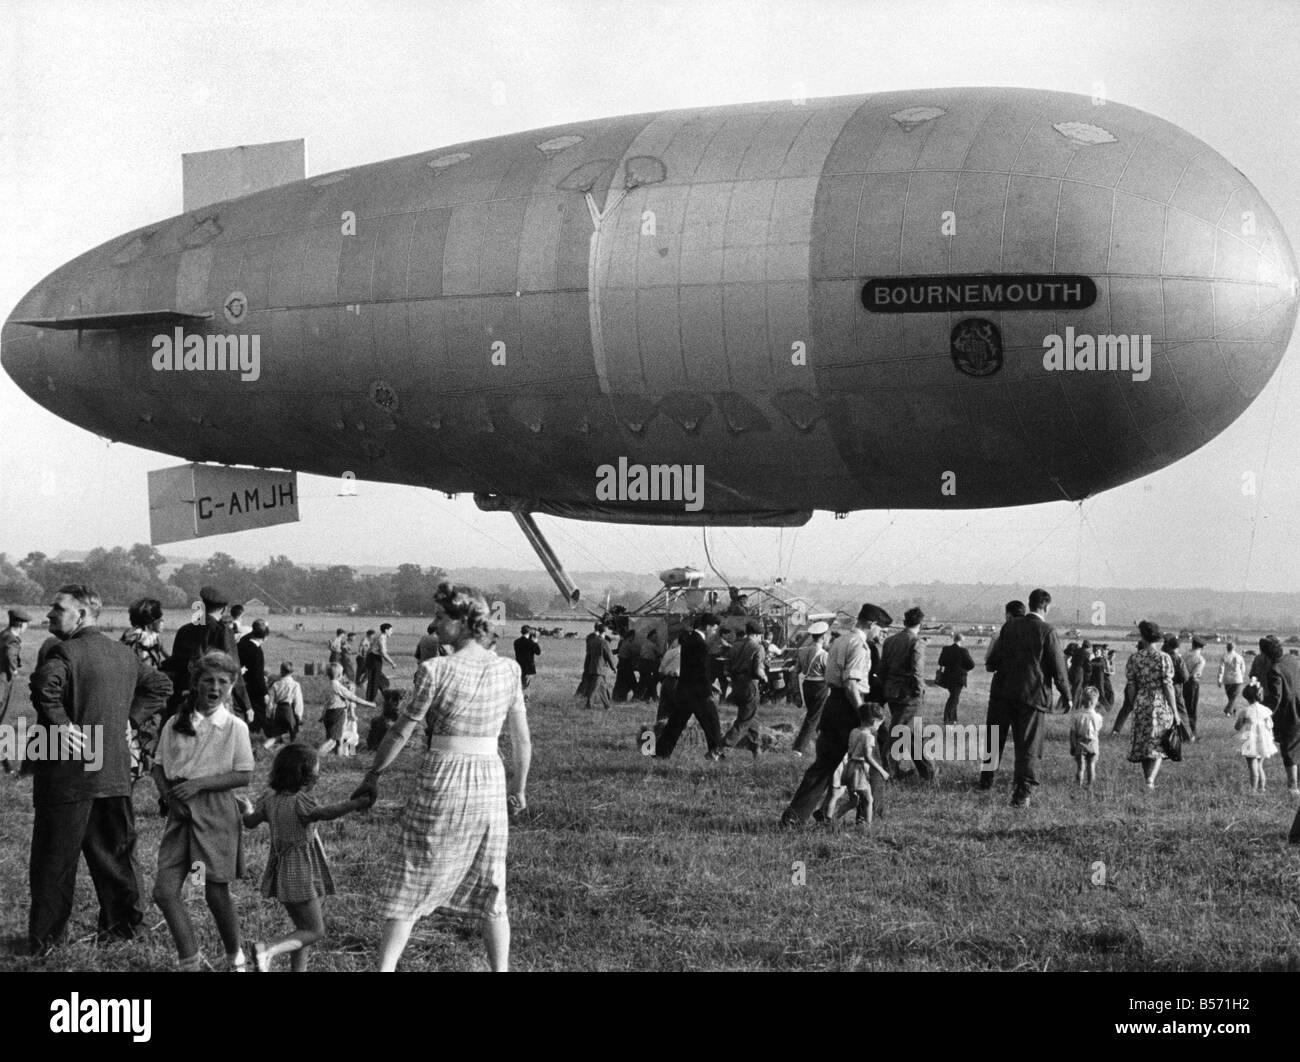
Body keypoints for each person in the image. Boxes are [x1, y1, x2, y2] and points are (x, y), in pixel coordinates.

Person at [350, 582, 532, 972]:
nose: (433, 625)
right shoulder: (509, 669)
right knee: (491, 879)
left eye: (439, 617)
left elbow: (401, 731)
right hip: (490, 781)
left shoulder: (435, 670)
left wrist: (373, 775)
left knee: (413, 871)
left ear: (463, 622)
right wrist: (519, 789)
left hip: (444, 777)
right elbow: (522, 740)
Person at [27, 585, 171, 955]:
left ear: (84, 615)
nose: (49, 615)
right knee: (116, 857)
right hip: (112, 774)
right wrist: (132, 718)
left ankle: (46, 942)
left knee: (54, 861)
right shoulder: (122, 654)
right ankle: (122, 930)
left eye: (58, 609)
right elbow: (161, 684)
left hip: (67, 778)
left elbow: (44, 687)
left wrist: (60, 724)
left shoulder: (62, 651)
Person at [152, 650, 254, 971]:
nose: (215, 687)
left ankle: (234, 956)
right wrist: (169, 796)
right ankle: (190, 961)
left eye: (223, 681)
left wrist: (199, 785)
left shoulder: (234, 727)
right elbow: (157, 767)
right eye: (208, 680)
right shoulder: (175, 723)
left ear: (232, 685)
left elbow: (244, 775)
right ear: (195, 683)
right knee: (165, 892)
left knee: (214, 891)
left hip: (216, 811)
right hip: (180, 812)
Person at [240, 744, 371, 971]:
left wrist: (247, 809)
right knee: (314, 931)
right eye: (316, 773)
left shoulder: (270, 798)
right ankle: (267, 950)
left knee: (303, 928)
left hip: (283, 870)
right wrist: (357, 803)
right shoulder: (300, 802)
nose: (318, 778)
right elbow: (328, 812)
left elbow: (250, 822)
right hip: (301, 871)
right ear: (303, 775)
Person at [780, 603, 893, 826]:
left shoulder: (840, 640)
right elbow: (852, 685)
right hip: (850, 707)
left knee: (823, 766)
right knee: (874, 761)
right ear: (871, 624)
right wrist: (864, 715)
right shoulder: (860, 646)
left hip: (832, 705)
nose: (881, 634)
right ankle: (868, 818)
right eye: (881, 629)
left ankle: (793, 817)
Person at [982, 589, 1070, 807]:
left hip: (1002, 693)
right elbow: (1058, 668)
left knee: (994, 739)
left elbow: (993, 660)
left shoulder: (1009, 626)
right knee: (1027, 746)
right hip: (1032, 695)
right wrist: (1067, 694)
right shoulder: (1047, 630)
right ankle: (1022, 792)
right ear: (1047, 607)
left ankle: (986, 780)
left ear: (1029, 604)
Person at [163, 585, 249, 725]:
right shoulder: (223, 632)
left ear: (203, 605)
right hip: (211, 698)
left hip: (182, 697)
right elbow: (234, 669)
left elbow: (176, 664)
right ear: (224, 609)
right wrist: (246, 705)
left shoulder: (184, 630)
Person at [655, 613, 726, 761]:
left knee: (676, 723)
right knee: (712, 722)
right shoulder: (700, 644)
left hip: (684, 689)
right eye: (713, 629)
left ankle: (661, 752)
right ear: (707, 627)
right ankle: (716, 753)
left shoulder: (689, 638)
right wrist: (709, 688)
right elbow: (700, 670)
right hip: (698, 691)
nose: (714, 632)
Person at [879, 606, 933, 782]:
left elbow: (882, 669)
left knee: (908, 732)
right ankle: (884, 768)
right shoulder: (917, 642)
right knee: (900, 732)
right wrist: (919, 690)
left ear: (904, 622)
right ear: (921, 624)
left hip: (892, 692)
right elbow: (917, 670)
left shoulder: (889, 641)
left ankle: (927, 772)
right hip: (909, 694)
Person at [120, 597, 169, 787]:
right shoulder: (143, 641)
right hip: (141, 703)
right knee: (138, 750)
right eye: (161, 618)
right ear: (152, 621)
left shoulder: (135, 636)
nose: (164, 623)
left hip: (134, 701)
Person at [1125, 620, 1178, 790]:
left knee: (1144, 743)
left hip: (1141, 701)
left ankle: (1148, 779)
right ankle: (1150, 781)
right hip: (1159, 702)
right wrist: (1175, 711)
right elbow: (1168, 686)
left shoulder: (1135, 658)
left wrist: (1135, 704)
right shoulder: (1164, 658)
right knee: (1158, 743)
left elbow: (1131, 685)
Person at [1258, 634, 1300, 795]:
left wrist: (1263, 711)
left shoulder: (1275, 669)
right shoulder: (1292, 660)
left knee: (1288, 750)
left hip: (1290, 714)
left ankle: (1293, 787)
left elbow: (1276, 697)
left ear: (1266, 654)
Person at [837, 701, 890, 824]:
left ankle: (833, 818)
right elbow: (868, 757)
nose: (879, 727)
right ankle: (868, 826)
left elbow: (850, 751)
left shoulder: (854, 731)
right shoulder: (869, 737)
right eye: (879, 724)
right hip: (859, 770)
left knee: (853, 801)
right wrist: (882, 771)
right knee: (869, 800)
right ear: (874, 722)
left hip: (849, 768)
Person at [721, 619, 768, 753]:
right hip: (750, 684)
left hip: (737, 684)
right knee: (744, 720)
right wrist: (765, 677)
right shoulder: (758, 647)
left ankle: (756, 747)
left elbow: (726, 667)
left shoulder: (734, 645)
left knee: (751, 715)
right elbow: (758, 670)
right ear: (757, 635)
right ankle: (720, 748)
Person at [792, 621, 831, 756]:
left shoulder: (803, 652)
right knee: (813, 718)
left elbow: (795, 672)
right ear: (824, 637)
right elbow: (829, 676)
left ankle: (822, 743)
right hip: (820, 686)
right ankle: (798, 748)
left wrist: (796, 691)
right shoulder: (824, 655)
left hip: (806, 685)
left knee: (817, 715)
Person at [0, 607, 31, 772]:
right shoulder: (12, 639)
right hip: (2, 685)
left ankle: (7, 765)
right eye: (26, 624)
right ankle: (8, 766)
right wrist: (14, 669)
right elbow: (9, 654)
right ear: (21, 624)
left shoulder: (3, 634)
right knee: (3, 724)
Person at [320, 662, 374, 756]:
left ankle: (340, 758)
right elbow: (354, 700)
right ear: (339, 675)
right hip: (341, 717)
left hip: (329, 715)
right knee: (341, 739)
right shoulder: (339, 688)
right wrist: (369, 704)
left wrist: (322, 715)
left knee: (339, 740)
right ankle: (317, 755)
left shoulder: (328, 686)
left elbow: (326, 703)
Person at [1234, 682, 1276, 792]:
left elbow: (1237, 727)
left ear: (1246, 696)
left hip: (1250, 741)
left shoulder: (1245, 711)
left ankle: (1253, 788)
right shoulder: (1265, 710)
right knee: (1260, 765)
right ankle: (1262, 788)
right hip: (1263, 742)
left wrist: (1241, 721)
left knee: (1252, 765)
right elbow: (1270, 725)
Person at [238, 619, 271, 735]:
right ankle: (259, 732)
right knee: (259, 711)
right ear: (265, 637)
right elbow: (257, 675)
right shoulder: (256, 651)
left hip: (242, 683)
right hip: (254, 687)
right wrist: (264, 692)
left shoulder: (243, 643)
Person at [936, 630, 976, 725]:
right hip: (959, 678)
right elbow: (972, 664)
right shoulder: (963, 651)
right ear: (961, 640)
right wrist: (963, 669)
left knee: (953, 697)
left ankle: (953, 719)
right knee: (954, 698)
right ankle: (948, 719)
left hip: (948, 677)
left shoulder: (946, 649)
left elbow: (941, 662)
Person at [1069, 686, 1104, 787]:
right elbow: (1098, 729)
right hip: (1093, 744)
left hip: (1080, 743)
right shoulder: (1098, 717)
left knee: (1081, 767)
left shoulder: (1076, 716)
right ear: (1094, 702)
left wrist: (1072, 745)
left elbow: (1072, 732)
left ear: (1082, 700)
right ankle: (1090, 785)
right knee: (1091, 766)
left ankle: (1078, 784)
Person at [264, 662, 304, 750]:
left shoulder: (276, 684)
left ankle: (266, 746)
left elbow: (271, 702)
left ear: (281, 671)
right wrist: (298, 716)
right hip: (289, 710)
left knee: (278, 734)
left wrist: (269, 714)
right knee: (292, 734)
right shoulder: (295, 685)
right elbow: (298, 702)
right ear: (292, 672)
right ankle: (289, 751)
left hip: (278, 710)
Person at [579, 622, 616, 711]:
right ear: (605, 631)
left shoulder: (593, 641)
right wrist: (613, 667)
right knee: (594, 687)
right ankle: (589, 705)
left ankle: (607, 706)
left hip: (593, 667)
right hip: (601, 668)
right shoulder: (604, 642)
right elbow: (609, 655)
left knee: (602, 687)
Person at [1162, 634, 1191, 739]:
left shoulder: (1163, 657)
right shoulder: (1178, 658)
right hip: (1176, 687)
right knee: (1181, 711)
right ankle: (1187, 735)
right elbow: (1185, 676)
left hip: (1163, 687)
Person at [655, 632, 683, 730]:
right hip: (678, 681)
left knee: (663, 706)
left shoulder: (670, 652)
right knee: (679, 707)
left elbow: (661, 669)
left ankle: (659, 728)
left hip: (667, 680)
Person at [365, 623, 395, 702]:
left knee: (373, 679)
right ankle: (371, 700)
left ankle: (370, 699)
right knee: (375, 680)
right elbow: (383, 653)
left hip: (371, 658)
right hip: (375, 659)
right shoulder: (382, 638)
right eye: (391, 630)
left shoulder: (378, 636)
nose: (392, 632)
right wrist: (392, 663)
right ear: (386, 630)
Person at [1183, 637, 1206, 737]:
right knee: (1192, 708)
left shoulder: (1184, 655)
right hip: (1192, 683)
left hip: (1182, 683)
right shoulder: (1200, 659)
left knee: (1184, 707)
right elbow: (1195, 674)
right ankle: (1193, 732)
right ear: (1202, 647)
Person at [613, 627, 640, 702]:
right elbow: (635, 653)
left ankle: (616, 697)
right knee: (632, 682)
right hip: (626, 665)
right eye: (634, 637)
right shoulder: (628, 644)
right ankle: (636, 698)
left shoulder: (623, 642)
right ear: (631, 636)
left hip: (621, 665)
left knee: (619, 682)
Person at [1219, 641, 1246, 715]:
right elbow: (1243, 668)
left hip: (1227, 680)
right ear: (1234, 648)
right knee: (1233, 697)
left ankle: (1231, 711)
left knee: (1231, 697)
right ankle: (1230, 710)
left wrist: (1219, 680)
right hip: (1237, 679)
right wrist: (1242, 676)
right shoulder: (1239, 657)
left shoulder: (1224, 656)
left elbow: (1221, 669)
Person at [637, 629, 663, 701]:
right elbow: (660, 653)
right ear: (650, 637)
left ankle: (640, 697)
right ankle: (654, 697)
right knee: (650, 682)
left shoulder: (645, 643)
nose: (656, 639)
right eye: (655, 637)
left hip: (642, 663)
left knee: (643, 682)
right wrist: (658, 645)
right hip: (647, 664)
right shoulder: (651, 645)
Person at [513, 625, 541, 690]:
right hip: (528, 668)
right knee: (525, 685)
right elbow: (538, 652)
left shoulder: (516, 641)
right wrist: (535, 640)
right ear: (529, 632)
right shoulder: (530, 643)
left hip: (518, 665)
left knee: (520, 683)